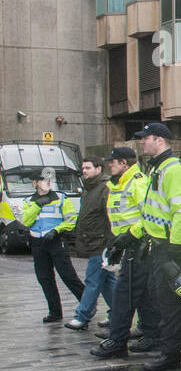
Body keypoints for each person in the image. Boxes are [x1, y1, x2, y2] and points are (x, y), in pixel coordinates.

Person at [131, 122, 181, 371]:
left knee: (170, 302)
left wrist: (175, 247)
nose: (141, 142)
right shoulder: (157, 169)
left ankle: (171, 354)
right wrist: (132, 235)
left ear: (159, 140)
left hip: (170, 248)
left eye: (145, 138)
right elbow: (152, 212)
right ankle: (180, 349)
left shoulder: (173, 170)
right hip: (158, 246)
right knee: (164, 300)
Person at [92, 147, 155, 359]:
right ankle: (151, 333)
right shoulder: (118, 184)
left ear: (124, 163)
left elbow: (148, 216)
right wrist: (115, 242)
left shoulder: (137, 182)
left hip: (138, 244)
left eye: (114, 162)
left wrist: (128, 237)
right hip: (127, 243)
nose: (110, 165)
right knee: (142, 293)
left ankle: (117, 340)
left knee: (124, 293)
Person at [20, 168, 83, 323]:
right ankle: (55, 312)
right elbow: (26, 221)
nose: (47, 182)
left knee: (68, 275)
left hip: (56, 240)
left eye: (49, 179)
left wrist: (56, 230)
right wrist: (37, 205)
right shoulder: (28, 201)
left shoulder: (61, 198)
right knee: (45, 278)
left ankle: (87, 303)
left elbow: (71, 220)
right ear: (35, 183)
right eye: (42, 180)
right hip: (38, 243)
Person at [66, 157, 114, 330]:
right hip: (93, 240)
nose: (84, 171)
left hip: (101, 242)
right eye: (83, 168)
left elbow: (110, 217)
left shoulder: (105, 187)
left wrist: (110, 241)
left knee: (93, 280)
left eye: (87, 167)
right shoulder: (89, 188)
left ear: (98, 168)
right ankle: (117, 313)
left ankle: (82, 315)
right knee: (107, 281)